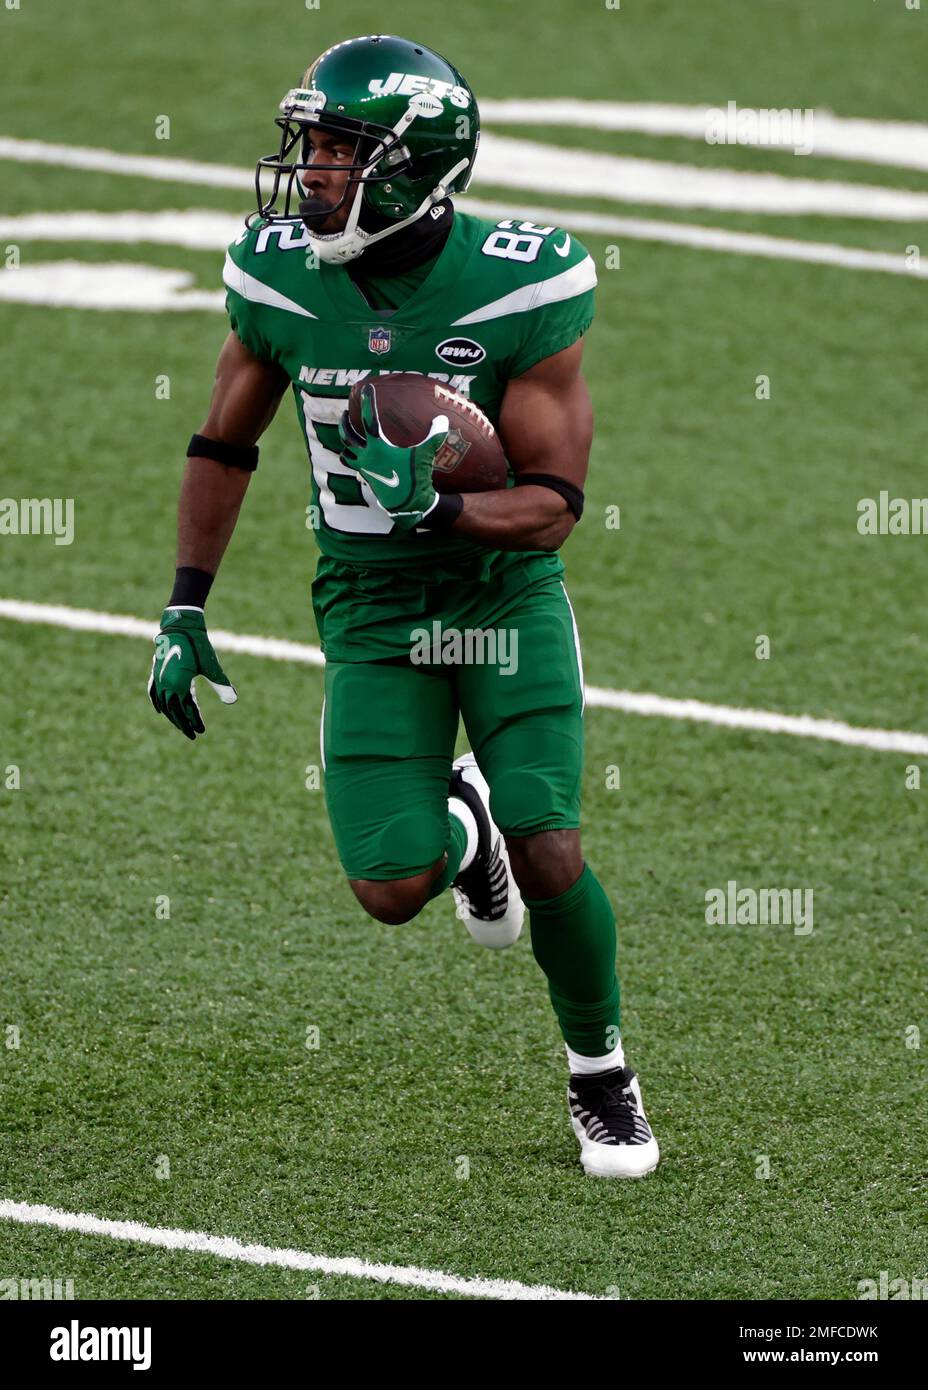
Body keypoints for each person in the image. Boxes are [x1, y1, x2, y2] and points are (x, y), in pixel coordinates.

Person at [148, 33, 658, 1178]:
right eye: (312, 146)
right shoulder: (278, 274)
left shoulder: (522, 280)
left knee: (554, 847)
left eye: (341, 150)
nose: (315, 173)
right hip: (370, 607)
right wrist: (185, 606)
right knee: (388, 890)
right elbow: (222, 442)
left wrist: (445, 516)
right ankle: (457, 824)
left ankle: (599, 1071)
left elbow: (554, 506)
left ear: (423, 168)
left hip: (498, 594)